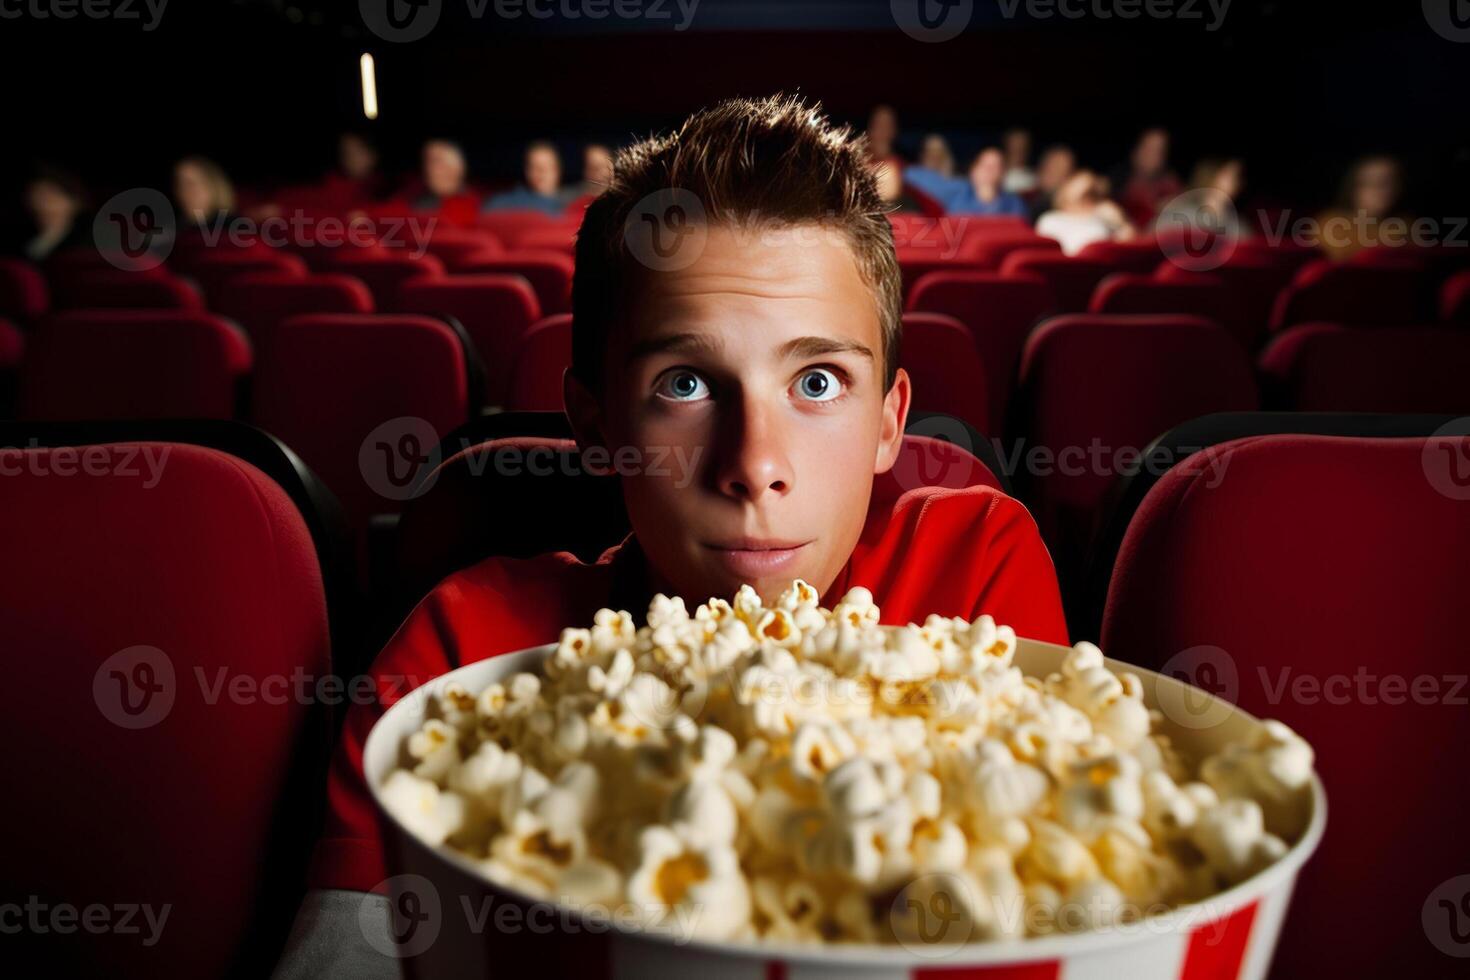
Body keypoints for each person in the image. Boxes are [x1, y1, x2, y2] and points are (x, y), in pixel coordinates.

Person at [272, 93, 1067, 977]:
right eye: (686, 384)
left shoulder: (974, 575)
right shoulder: (461, 656)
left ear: (889, 423)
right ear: (597, 422)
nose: (754, 464)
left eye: (816, 382)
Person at [1315, 156, 1405, 261]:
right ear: (1353, 188)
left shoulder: (1408, 227)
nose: (1380, 191)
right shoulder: (1332, 224)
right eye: (1371, 183)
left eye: (1388, 183)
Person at [902, 146, 1027, 217]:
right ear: (973, 171)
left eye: (995, 166)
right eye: (984, 165)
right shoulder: (959, 190)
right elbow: (912, 176)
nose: (989, 171)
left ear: (1003, 174)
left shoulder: (1014, 202)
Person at [1035, 170, 1136, 255]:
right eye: (1081, 196)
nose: (1083, 201)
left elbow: (1129, 249)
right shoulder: (1050, 220)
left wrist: (1120, 222)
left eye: (1090, 195)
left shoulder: (1103, 220)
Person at [1155, 157, 1247, 243]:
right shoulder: (1179, 214)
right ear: (1211, 174)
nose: (1235, 182)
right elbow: (1151, 240)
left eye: (1237, 177)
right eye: (1228, 175)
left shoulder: (1239, 227)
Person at [1110, 127, 1181, 228]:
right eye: (1148, 149)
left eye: (1159, 152)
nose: (1152, 156)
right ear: (1135, 151)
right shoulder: (1117, 180)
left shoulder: (1170, 184)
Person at [16, 167, 89, 261]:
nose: (41, 205)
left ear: (74, 201)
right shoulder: (23, 238)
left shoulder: (86, 241)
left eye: (49, 197)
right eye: (35, 196)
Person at [483, 140, 570, 215]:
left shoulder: (571, 200)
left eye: (547, 166)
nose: (542, 172)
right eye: (535, 166)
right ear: (527, 171)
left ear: (558, 170)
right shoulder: (506, 203)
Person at [173, 156, 235, 228]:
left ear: (213, 186)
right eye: (179, 184)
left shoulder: (233, 230)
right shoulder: (174, 230)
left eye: (191, 184)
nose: (183, 192)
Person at [412, 139, 470, 209]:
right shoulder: (414, 204)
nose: (430, 169)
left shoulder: (477, 203)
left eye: (437, 161)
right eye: (427, 161)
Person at [1028, 144, 1077, 221]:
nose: (1052, 173)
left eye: (1058, 169)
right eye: (1048, 168)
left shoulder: (1074, 207)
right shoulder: (1026, 199)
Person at [864, 104, 903, 172]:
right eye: (878, 126)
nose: (883, 132)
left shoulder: (902, 168)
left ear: (895, 131)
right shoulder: (858, 163)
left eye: (887, 126)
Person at [1001, 128, 1036, 195]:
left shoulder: (1033, 177)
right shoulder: (997, 173)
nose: (1018, 148)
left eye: (1022, 144)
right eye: (1014, 143)